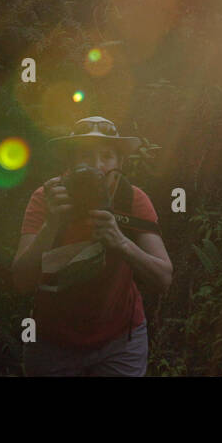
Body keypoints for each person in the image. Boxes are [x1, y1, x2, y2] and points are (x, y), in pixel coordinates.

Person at [12, 116, 172, 376]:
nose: (97, 166)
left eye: (107, 156)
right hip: (53, 341)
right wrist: (51, 225)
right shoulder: (48, 198)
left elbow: (163, 278)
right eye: (85, 156)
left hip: (121, 339)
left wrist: (120, 241)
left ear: (120, 163)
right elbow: (21, 280)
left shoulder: (132, 199)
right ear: (70, 163)